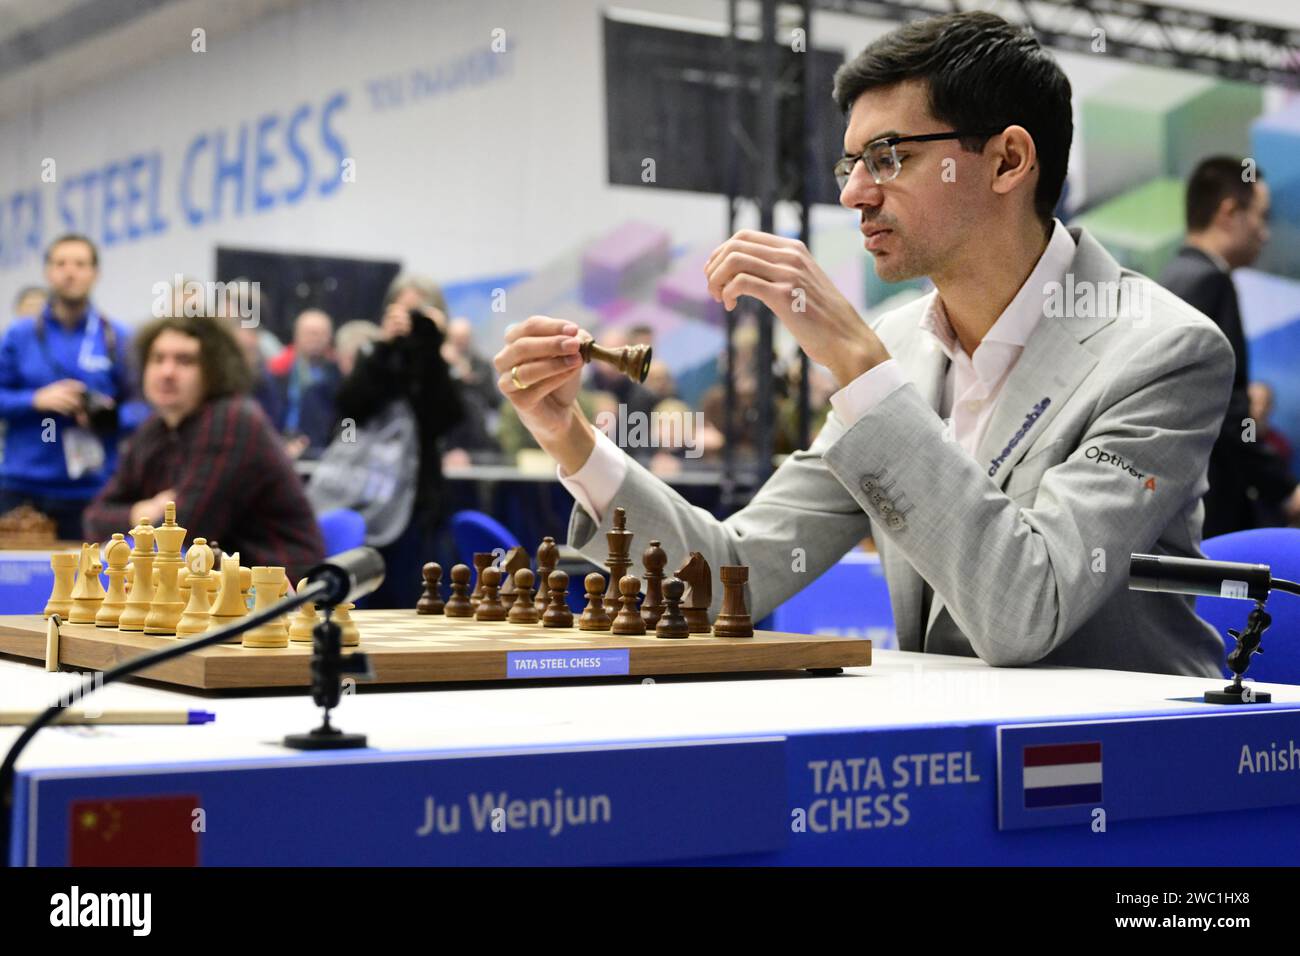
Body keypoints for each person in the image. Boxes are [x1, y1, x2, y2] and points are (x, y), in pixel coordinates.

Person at [493, 11, 1238, 678]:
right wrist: (575, 442)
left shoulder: (1163, 351)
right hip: (959, 761)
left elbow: (1026, 610)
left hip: (1134, 780)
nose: (854, 194)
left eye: (889, 157)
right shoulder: (897, 345)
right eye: (850, 165)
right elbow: (737, 574)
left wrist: (860, 369)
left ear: (1009, 161)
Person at [83, 314, 323, 582]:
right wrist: (141, 512)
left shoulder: (232, 421)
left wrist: (147, 520)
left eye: (185, 361)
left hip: (277, 592)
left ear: (215, 370)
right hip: (206, 588)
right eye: (158, 359)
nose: (167, 372)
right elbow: (94, 518)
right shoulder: (155, 428)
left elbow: (183, 532)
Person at [1158, 157, 1300, 537]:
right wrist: (1284, 489)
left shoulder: (1172, 278)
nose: (1265, 234)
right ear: (1229, 212)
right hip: (1211, 512)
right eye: (1261, 216)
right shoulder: (1211, 282)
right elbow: (1225, 410)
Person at [334, 274, 464, 606]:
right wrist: (384, 346)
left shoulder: (437, 361)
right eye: (404, 311)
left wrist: (432, 347)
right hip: (372, 496)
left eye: (420, 312)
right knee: (371, 593)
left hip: (420, 498)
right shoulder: (377, 353)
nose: (412, 319)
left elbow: (447, 418)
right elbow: (350, 408)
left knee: (418, 594)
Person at [0, 235, 140, 539]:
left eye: (80, 264)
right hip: (22, 487)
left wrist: (109, 416)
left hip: (89, 489)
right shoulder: (20, 334)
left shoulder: (116, 336)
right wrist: (34, 400)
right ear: (48, 272)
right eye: (61, 263)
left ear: (95, 273)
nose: (70, 272)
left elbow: (144, 407)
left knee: (88, 582)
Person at [266, 308, 342, 460]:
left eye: (319, 333)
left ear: (330, 337)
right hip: (279, 442)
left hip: (321, 449)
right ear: (296, 336)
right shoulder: (276, 372)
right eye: (309, 332)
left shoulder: (339, 378)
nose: (314, 338)